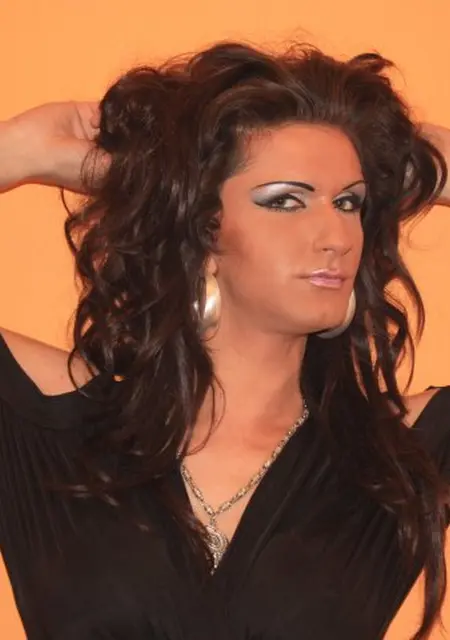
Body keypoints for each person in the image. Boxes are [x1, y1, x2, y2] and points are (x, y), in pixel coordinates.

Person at [1, 41, 450, 640]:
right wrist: (19, 150)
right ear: (205, 228)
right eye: (286, 201)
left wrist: (427, 167)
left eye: (350, 203)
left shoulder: (402, 452)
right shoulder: (49, 425)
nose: (337, 235)